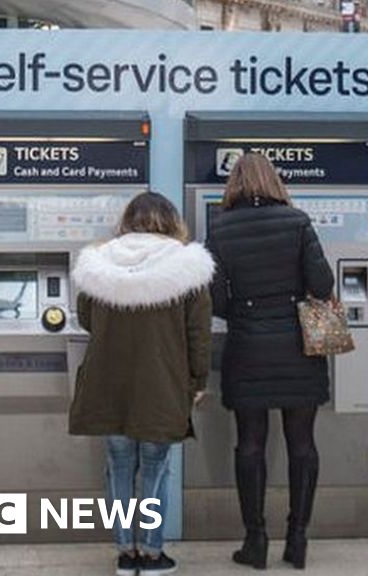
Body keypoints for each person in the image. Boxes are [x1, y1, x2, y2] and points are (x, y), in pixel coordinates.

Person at [69, 192, 214, 576]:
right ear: (171, 221)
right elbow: (199, 335)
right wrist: (198, 380)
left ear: (127, 222)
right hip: (162, 386)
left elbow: (87, 319)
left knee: (118, 466)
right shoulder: (188, 268)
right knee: (155, 467)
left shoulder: (99, 264)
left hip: (109, 385)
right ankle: (151, 554)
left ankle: (124, 552)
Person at [207, 153, 334, 570]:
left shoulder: (221, 228)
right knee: (303, 444)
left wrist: (247, 313)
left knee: (250, 444)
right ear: (274, 181)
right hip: (298, 346)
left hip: (247, 346)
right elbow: (322, 283)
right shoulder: (296, 222)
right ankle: (297, 538)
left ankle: (255, 540)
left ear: (235, 182)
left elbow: (216, 300)